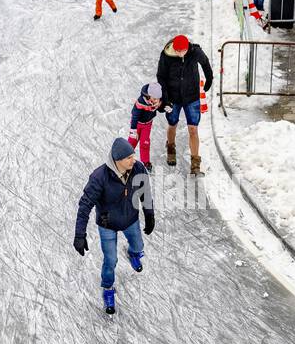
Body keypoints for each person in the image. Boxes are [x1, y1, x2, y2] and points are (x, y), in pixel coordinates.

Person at [74, 138, 154, 316]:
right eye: (129, 158)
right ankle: (108, 288)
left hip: (130, 219)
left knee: (139, 247)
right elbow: (85, 204)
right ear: (117, 160)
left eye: (133, 156)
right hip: (107, 224)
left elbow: (145, 192)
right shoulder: (99, 177)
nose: (133, 160)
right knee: (111, 261)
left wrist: (149, 214)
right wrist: (80, 234)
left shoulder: (138, 168)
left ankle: (133, 253)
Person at [157, 34, 214, 175]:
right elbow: (161, 77)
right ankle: (171, 147)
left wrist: (209, 79)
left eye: (182, 51)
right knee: (173, 124)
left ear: (187, 48)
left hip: (192, 96)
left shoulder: (195, 52)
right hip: (173, 97)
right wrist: (165, 99)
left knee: (193, 129)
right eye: (177, 51)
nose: (180, 54)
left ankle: (195, 164)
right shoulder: (166, 55)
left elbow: (205, 63)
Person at [127, 81, 167, 171]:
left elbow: (161, 107)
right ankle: (125, 159)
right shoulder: (141, 101)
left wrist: (166, 106)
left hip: (148, 124)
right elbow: (135, 115)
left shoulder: (157, 100)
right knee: (132, 142)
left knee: (145, 142)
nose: (157, 100)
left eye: (158, 98)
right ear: (149, 95)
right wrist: (133, 130)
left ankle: (145, 162)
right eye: (155, 98)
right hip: (137, 124)